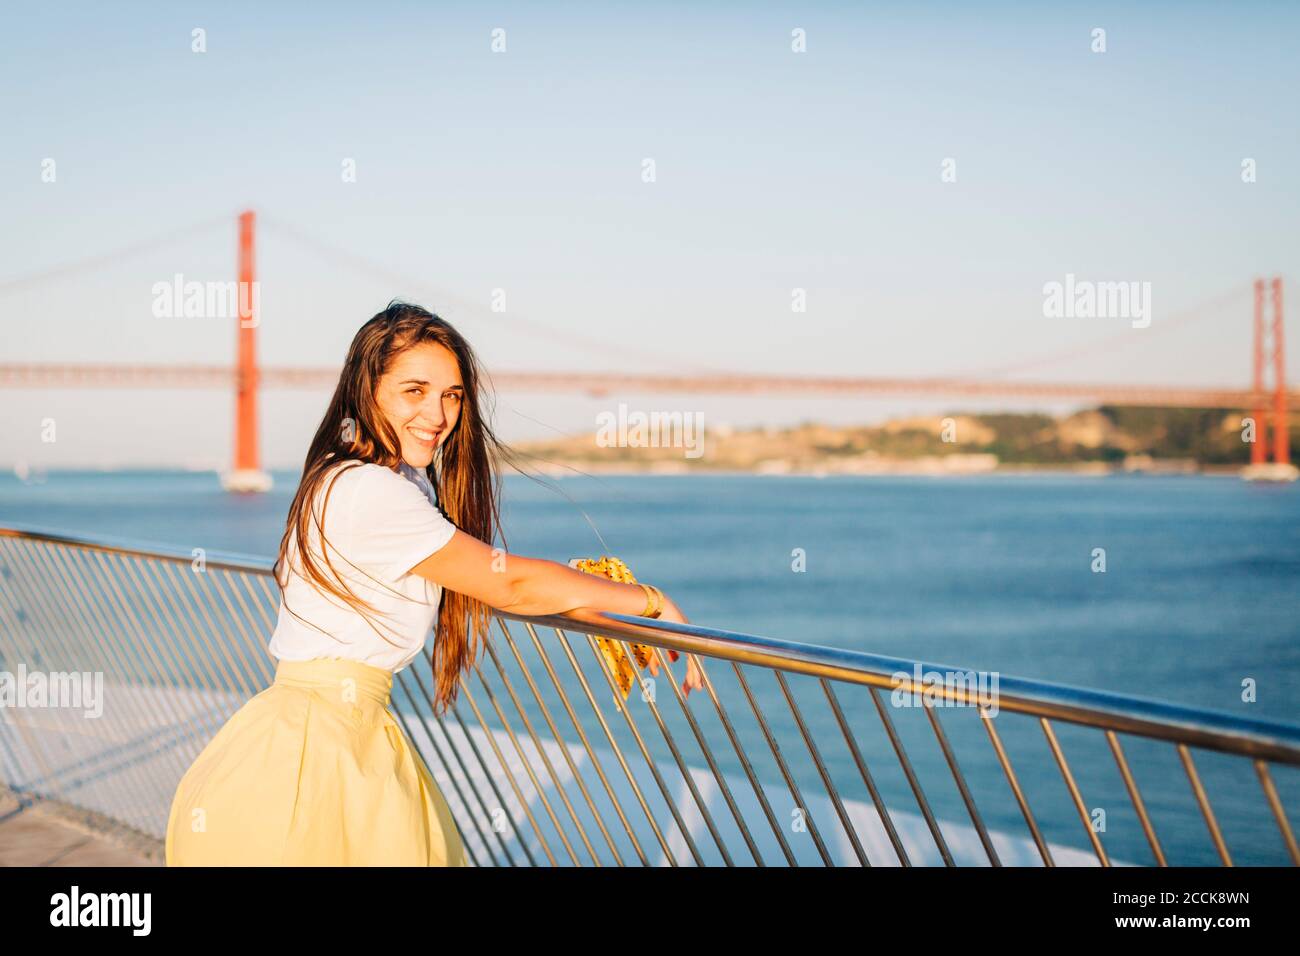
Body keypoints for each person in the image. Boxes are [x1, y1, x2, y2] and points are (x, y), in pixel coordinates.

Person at [165, 301, 702, 866]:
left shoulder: (369, 477)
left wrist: (589, 600)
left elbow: (486, 576)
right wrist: (647, 600)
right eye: (415, 391)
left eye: (452, 395)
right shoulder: (372, 490)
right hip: (321, 753)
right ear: (367, 391)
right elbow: (510, 584)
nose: (439, 413)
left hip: (309, 734)